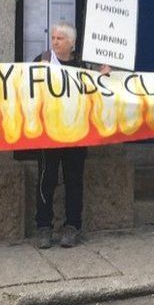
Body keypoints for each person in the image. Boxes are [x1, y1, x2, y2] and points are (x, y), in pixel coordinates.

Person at [33, 23, 109, 248]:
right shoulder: (42, 60)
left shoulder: (82, 66)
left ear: (72, 43)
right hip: (49, 132)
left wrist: (102, 77)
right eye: (53, 37)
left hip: (76, 132)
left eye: (60, 38)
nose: (55, 42)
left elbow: (96, 93)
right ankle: (44, 226)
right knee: (46, 179)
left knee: (74, 179)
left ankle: (72, 225)